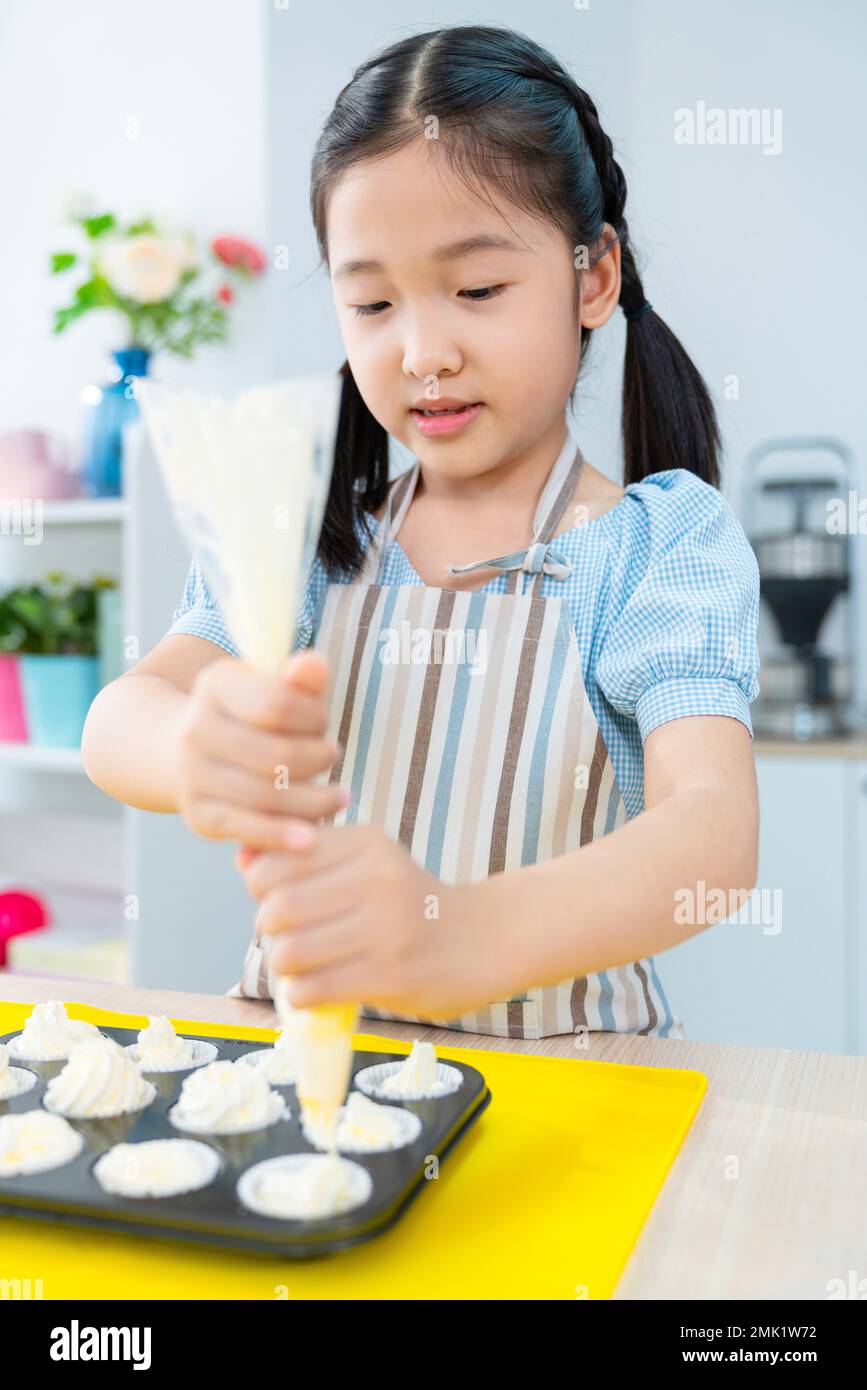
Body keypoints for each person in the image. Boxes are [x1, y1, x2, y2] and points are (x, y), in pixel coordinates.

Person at [83, 24, 760, 1041]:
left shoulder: (655, 548)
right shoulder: (311, 542)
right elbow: (119, 722)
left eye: (477, 290)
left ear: (594, 276)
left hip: (573, 1096)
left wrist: (461, 937)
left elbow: (713, 839)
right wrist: (193, 746)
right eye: (371, 302)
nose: (422, 350)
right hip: (321, 1102)